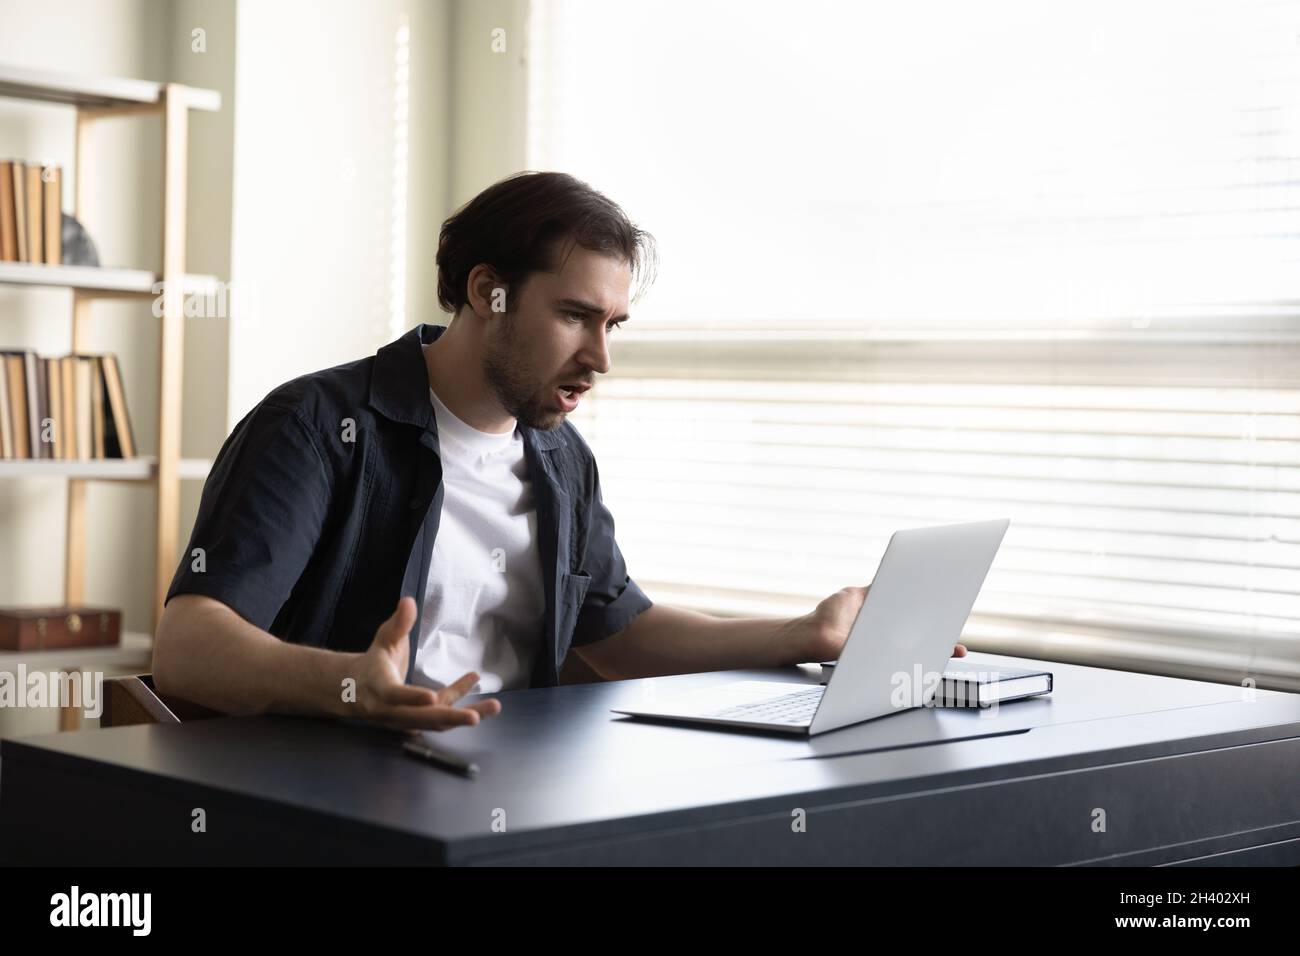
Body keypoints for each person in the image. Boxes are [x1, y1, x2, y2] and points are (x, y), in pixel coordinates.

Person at [154, 171, 965, 732]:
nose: (600, 358)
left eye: (611, 325)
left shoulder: (559, 457)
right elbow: (189, 648)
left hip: (515, 784)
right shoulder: (317, 427)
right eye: (576, 315)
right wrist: (342, 686)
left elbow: (620, 633)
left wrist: (805, 633)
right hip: (334, 785)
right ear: (486, 291)